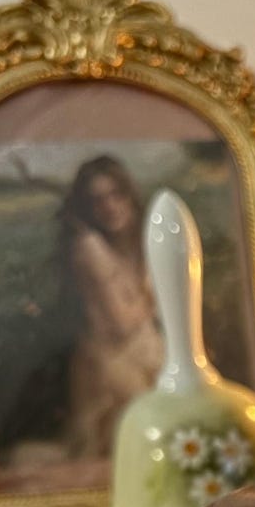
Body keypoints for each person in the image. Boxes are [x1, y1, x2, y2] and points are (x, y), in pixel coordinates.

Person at [60, 155, 163, 458]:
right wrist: (154, 292)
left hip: (144, 352)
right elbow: (123, 322)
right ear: (87, 210)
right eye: (97, 201)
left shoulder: (137, 243)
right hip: (110, 363)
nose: (110, 207)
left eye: (116, 194)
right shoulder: (90, 247)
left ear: (130, 196)